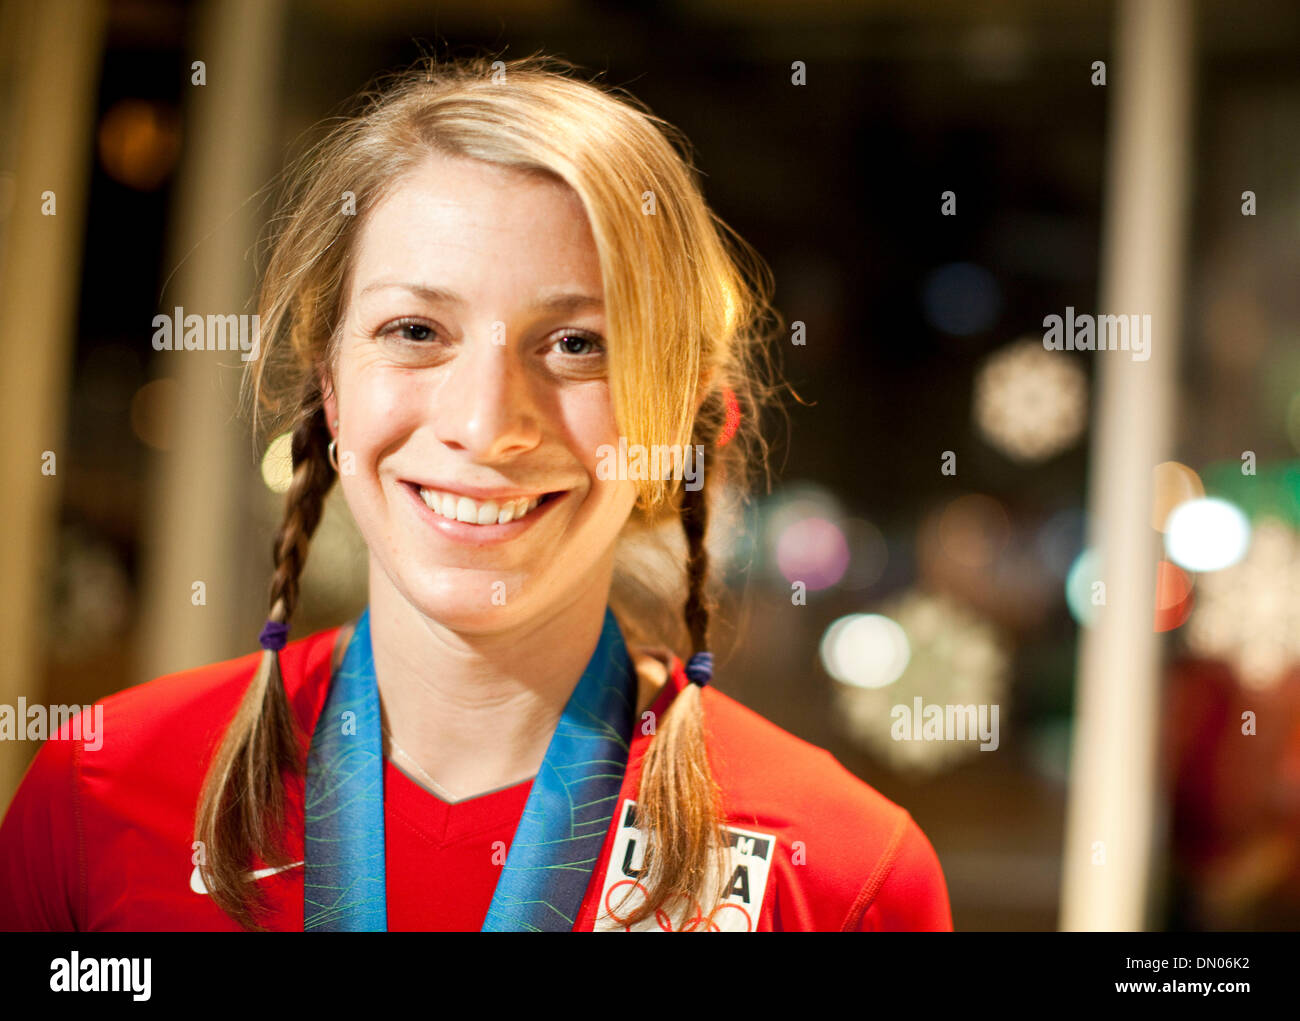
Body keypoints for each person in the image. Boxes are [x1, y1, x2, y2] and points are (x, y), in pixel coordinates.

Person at [0, 54, 952, 932]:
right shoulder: (99, 791)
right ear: (327, 382)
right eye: (416, 329)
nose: (486, 422)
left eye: (578, 343)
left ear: (682, 417)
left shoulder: (838, 874)